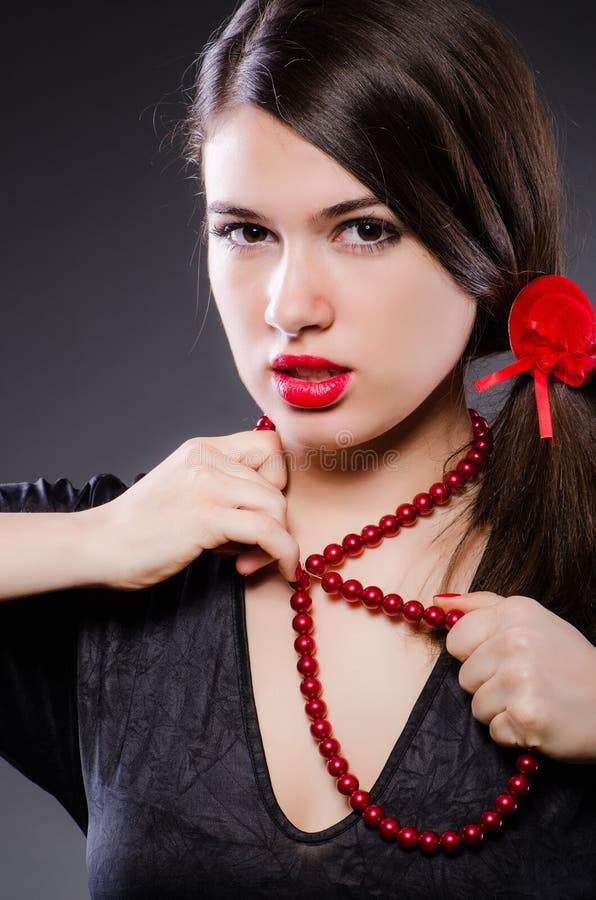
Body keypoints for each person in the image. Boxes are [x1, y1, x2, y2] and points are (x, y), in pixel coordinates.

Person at [1, 0, 595, 897]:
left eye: (364, 229)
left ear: (488, 239)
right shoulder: (109, 565)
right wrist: (94, 540)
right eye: (246, 231)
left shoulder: (577, 545)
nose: (289, 306)